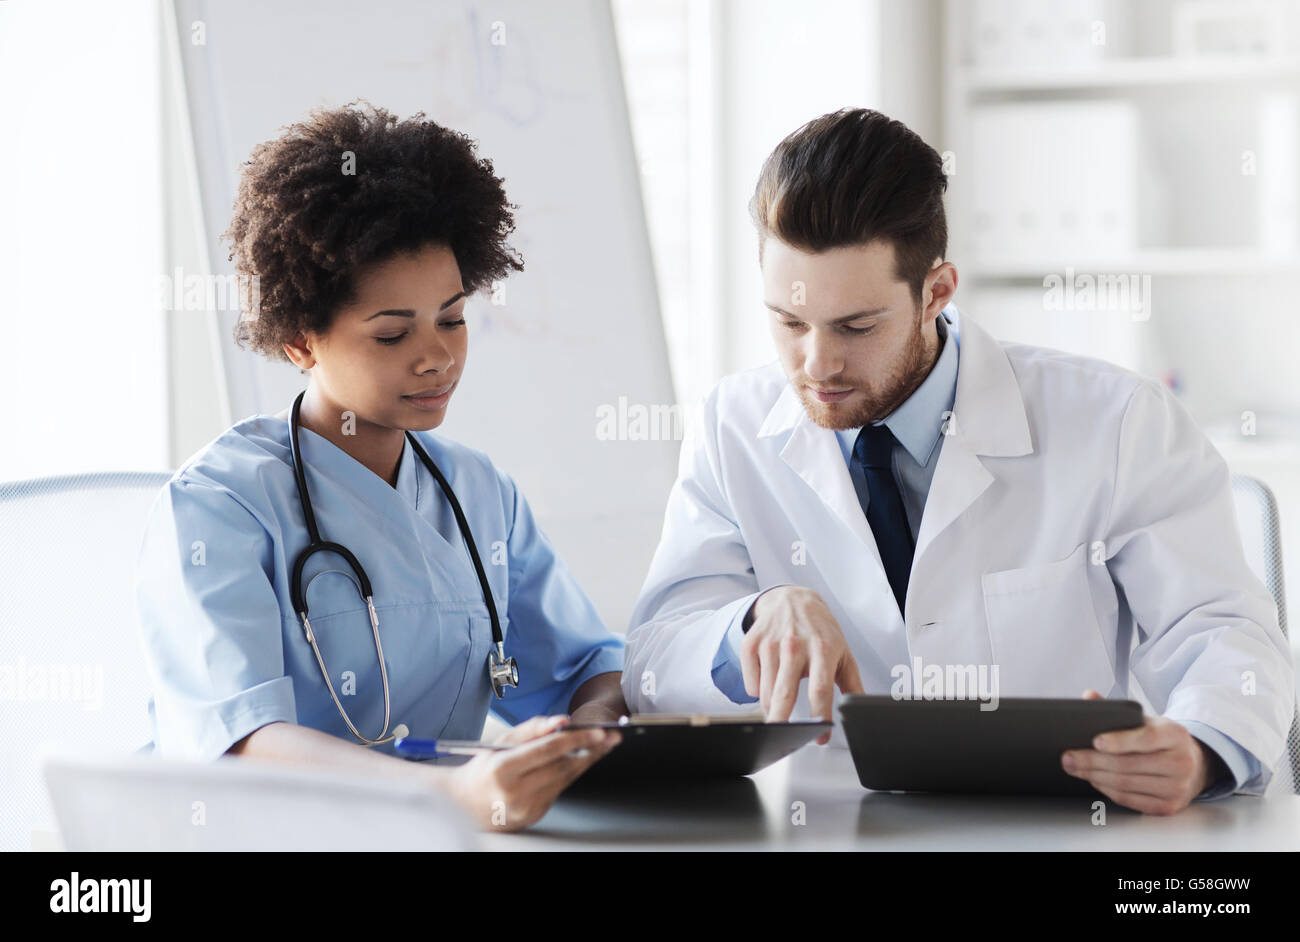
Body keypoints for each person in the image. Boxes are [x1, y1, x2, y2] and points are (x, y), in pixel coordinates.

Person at [623, 107, 1296, 814]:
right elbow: (652, 662)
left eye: (856, 326)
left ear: (935, 292)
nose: (816, 364)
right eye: (789, 323)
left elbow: (1224, 630)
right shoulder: (732, 428)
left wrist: (1200, 746)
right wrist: (752, 623)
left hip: (1058, 825)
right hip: (833, 826)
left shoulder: (1113, 422)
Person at [136, 101, 626, 832]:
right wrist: (449, 795)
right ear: (301, 341)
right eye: (393, 334)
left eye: (453, 319)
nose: (438, 357)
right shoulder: (219, 506)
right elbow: (239, 742)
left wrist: (589, 735)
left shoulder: (480, 494)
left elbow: (588, 670)